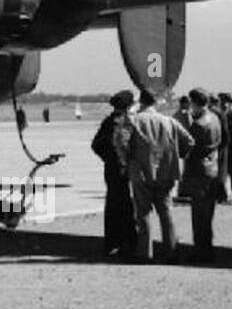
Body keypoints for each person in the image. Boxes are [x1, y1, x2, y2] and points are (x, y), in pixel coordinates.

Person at [114, 88, 194, 263]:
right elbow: (189, 141)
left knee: (143, 215)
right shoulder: (169, 121)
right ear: (156, 102)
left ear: (140, 102)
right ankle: (171, 251)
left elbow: (120, 141)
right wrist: (175, 155)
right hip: (167, 172)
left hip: (141, 173)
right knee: (166, 214)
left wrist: (127, 161)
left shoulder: (134, 121)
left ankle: (144, 252)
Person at [91, 90, 136, 258]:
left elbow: (96, 145)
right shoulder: (129, 122)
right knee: (127, 207)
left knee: (112, 206)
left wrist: (108, 159)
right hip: (126, 171)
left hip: (111, 170)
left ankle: (112, 243)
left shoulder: (108, 122)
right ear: (128, 106)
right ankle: (129, 243)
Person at [182, 89, 222, 263]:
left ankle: (201, 251)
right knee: (208, 214)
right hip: (212, 168)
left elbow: (189, 148)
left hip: (199, 171)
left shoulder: (199, 124)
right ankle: (207, 248)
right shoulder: (214, 118)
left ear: (194, 102)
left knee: (199, 216)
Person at [216, 92, 232, 202]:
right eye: (223, 102)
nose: (225, 104)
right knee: (222, 172)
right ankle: (222, 195)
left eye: (227, 102)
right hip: (222, 146)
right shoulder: (218, 114)